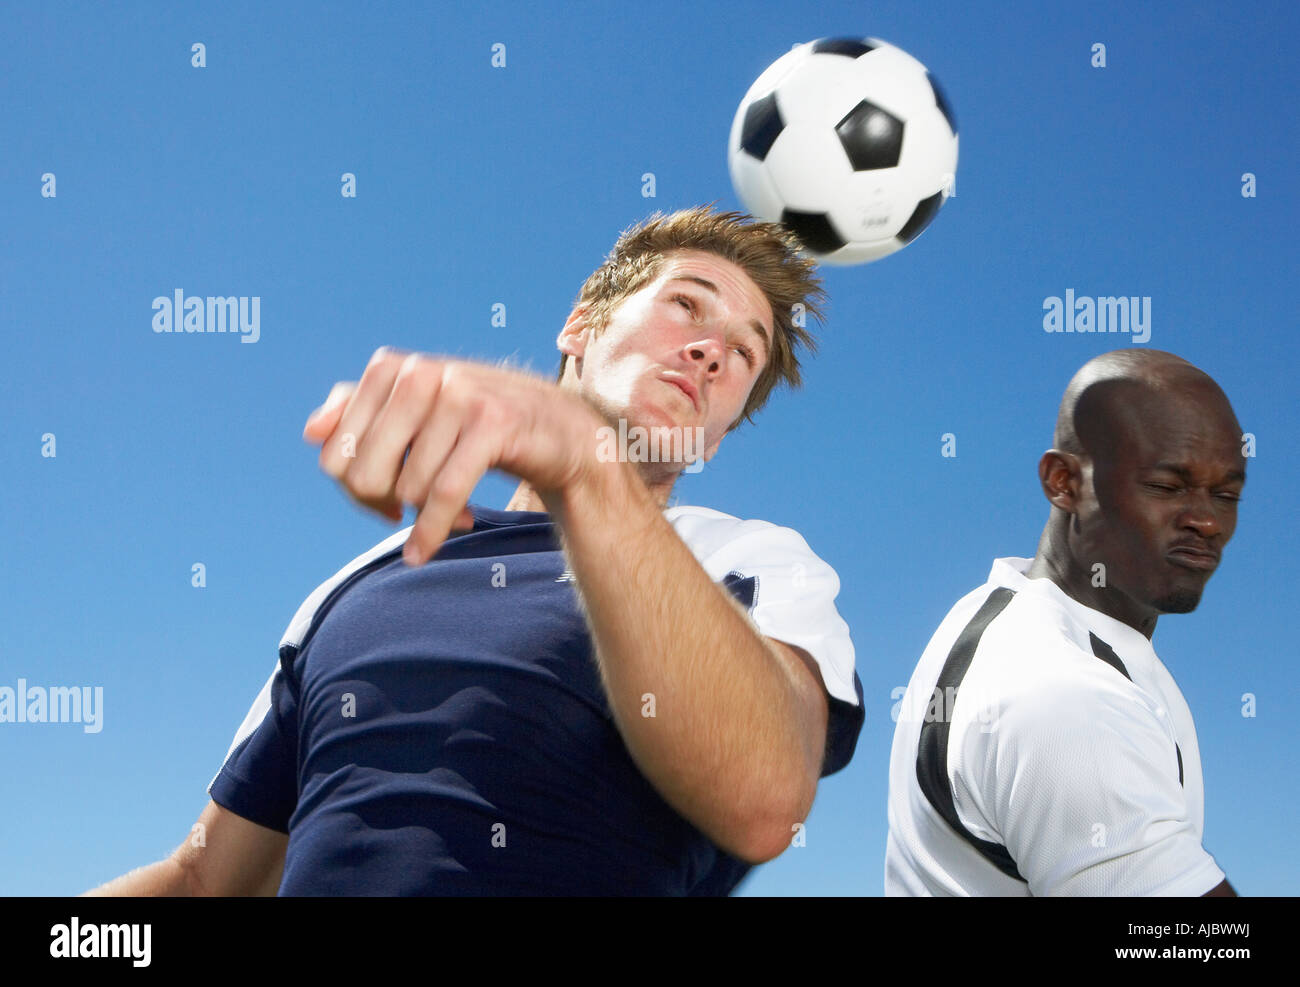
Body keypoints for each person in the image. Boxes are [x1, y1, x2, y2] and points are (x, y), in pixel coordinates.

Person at [87, 207, 864, 896]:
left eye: (744, 352)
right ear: (580, 325)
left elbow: (765, 795)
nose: (709, 351)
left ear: (724, 426)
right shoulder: (368, 577)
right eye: (685, 304)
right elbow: (201, 880)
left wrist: (588, 463)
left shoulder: (751, 561)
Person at [885, 349, 1243, 896]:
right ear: (1064, 482)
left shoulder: (1008, 612)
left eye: (1226, 494)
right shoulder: (1061, 692)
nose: (1207, 521)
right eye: (1167, 487)